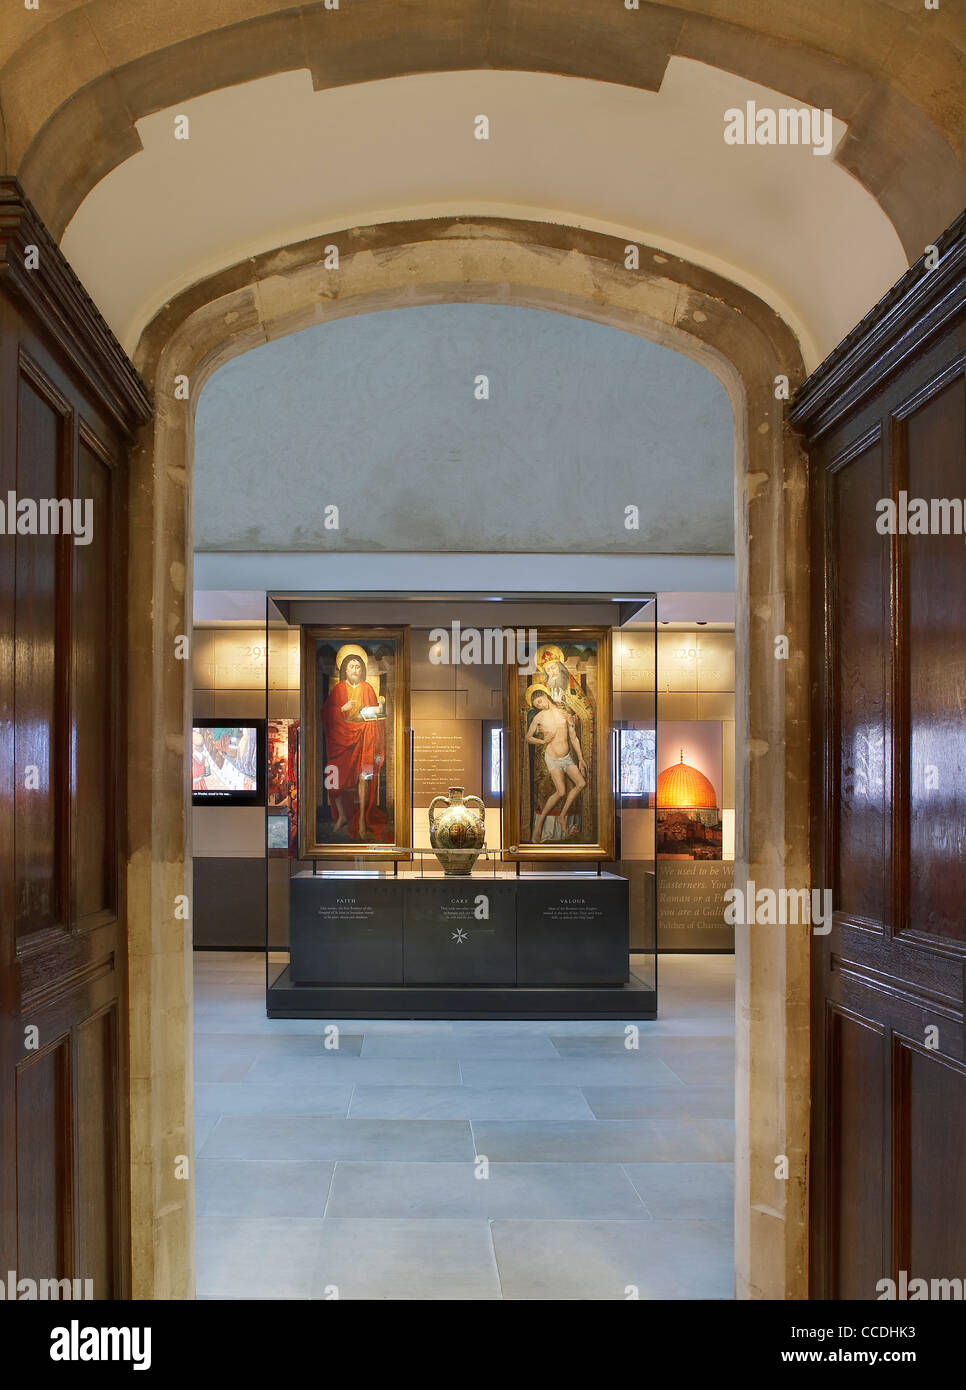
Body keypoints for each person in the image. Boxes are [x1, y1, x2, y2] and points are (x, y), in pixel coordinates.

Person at [320, 645, 388, 841]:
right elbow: (326, 713)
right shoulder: (339, 689)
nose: (355, 669)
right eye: (351, 666)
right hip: (343, 742)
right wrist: (342, 708)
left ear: (362, 670)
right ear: (345, 670)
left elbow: (376, 715)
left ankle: (362, 823)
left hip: (365, 741)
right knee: (337, 780)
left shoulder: (367, 688)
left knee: (364, 777)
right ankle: (342, 815)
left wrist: (377, 710)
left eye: (358, 666)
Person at [525, 686, 587, 842]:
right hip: (552, 757)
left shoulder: (563, 713)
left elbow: (573, 738)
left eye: (540, 701)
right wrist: (542, 741)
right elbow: (528, 737)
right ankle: (539, 823)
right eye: (537, 705)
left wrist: (580, 758)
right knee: (561, 792)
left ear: (546, 696)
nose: (540, 705)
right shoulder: (539, 717)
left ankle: (561, 816)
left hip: (566, 757)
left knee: (581, 783)